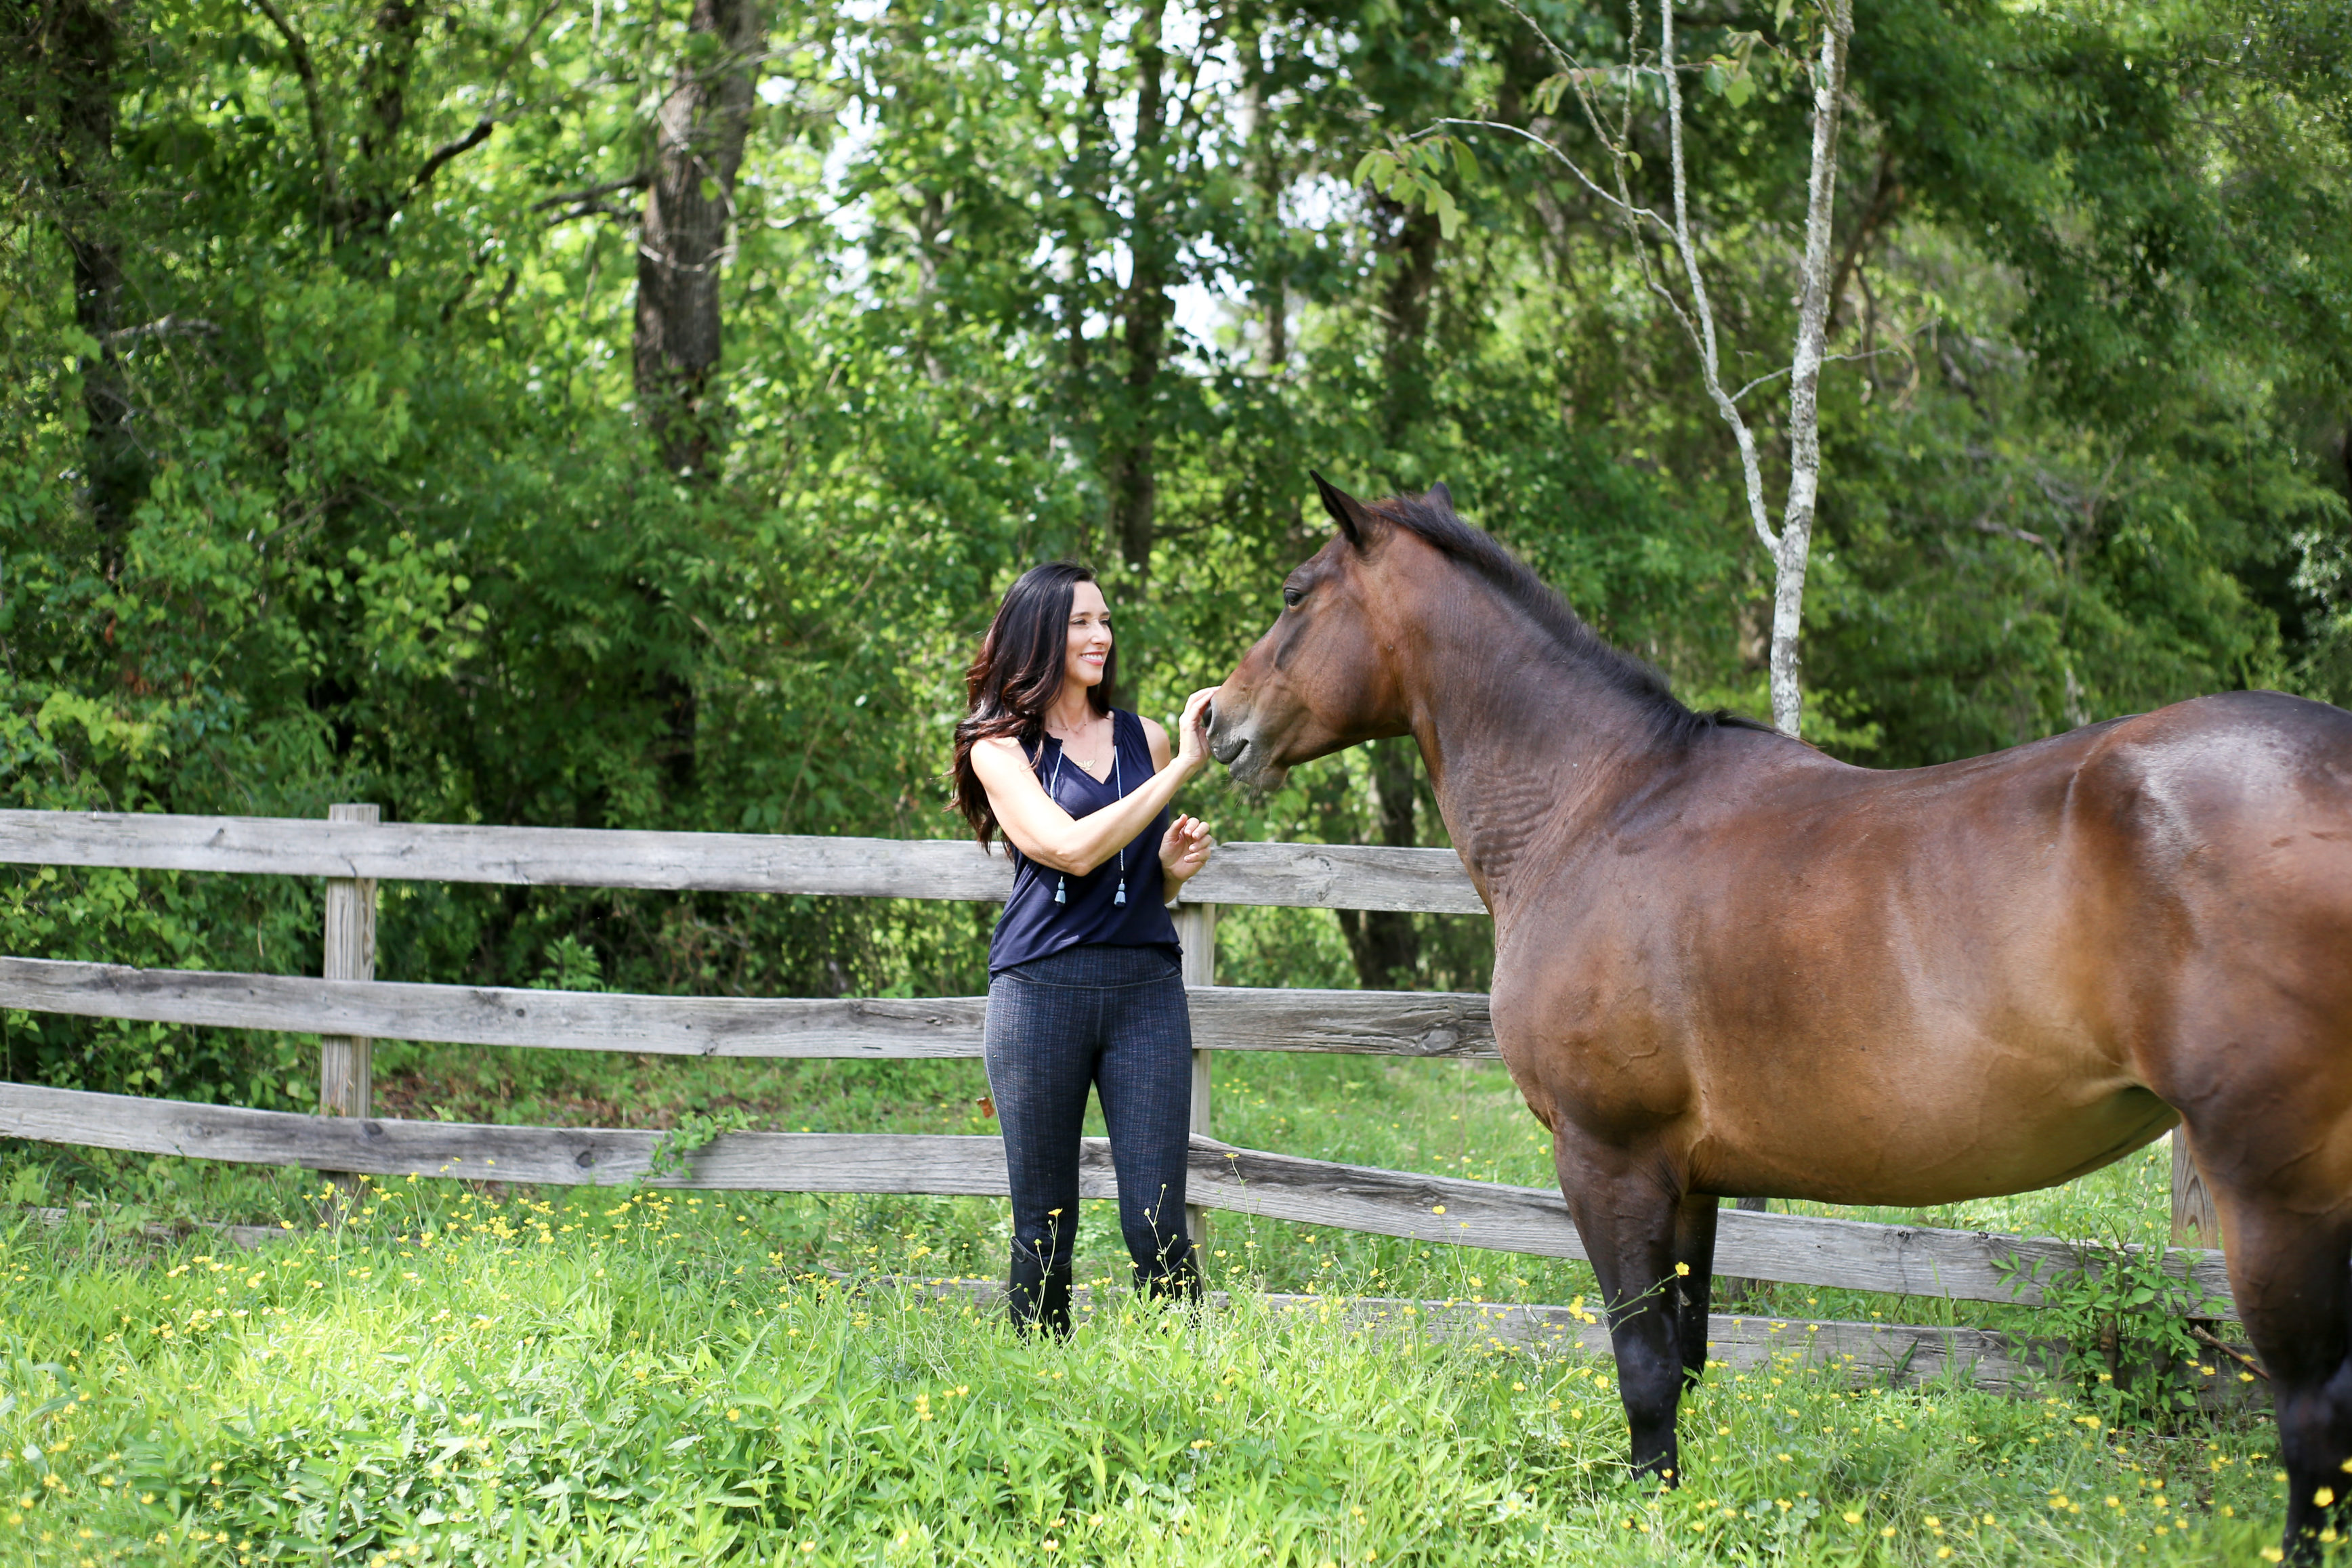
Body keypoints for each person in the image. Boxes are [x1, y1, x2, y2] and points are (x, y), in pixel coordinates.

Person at [952, 561, 1218, 1335]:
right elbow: (1067, 849)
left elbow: (1129, 880)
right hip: (1039, 992)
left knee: (1157, 1218)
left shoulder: (1144, 735)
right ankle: (1043, 1384)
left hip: (1145, 992)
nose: (1100, 635)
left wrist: (1166, 871)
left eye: (1105, 620)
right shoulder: (997, 747)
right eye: (1080, 622)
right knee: (1044, 1222)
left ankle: (1192, 1386)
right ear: (1039, 632)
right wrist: (1180, 773)